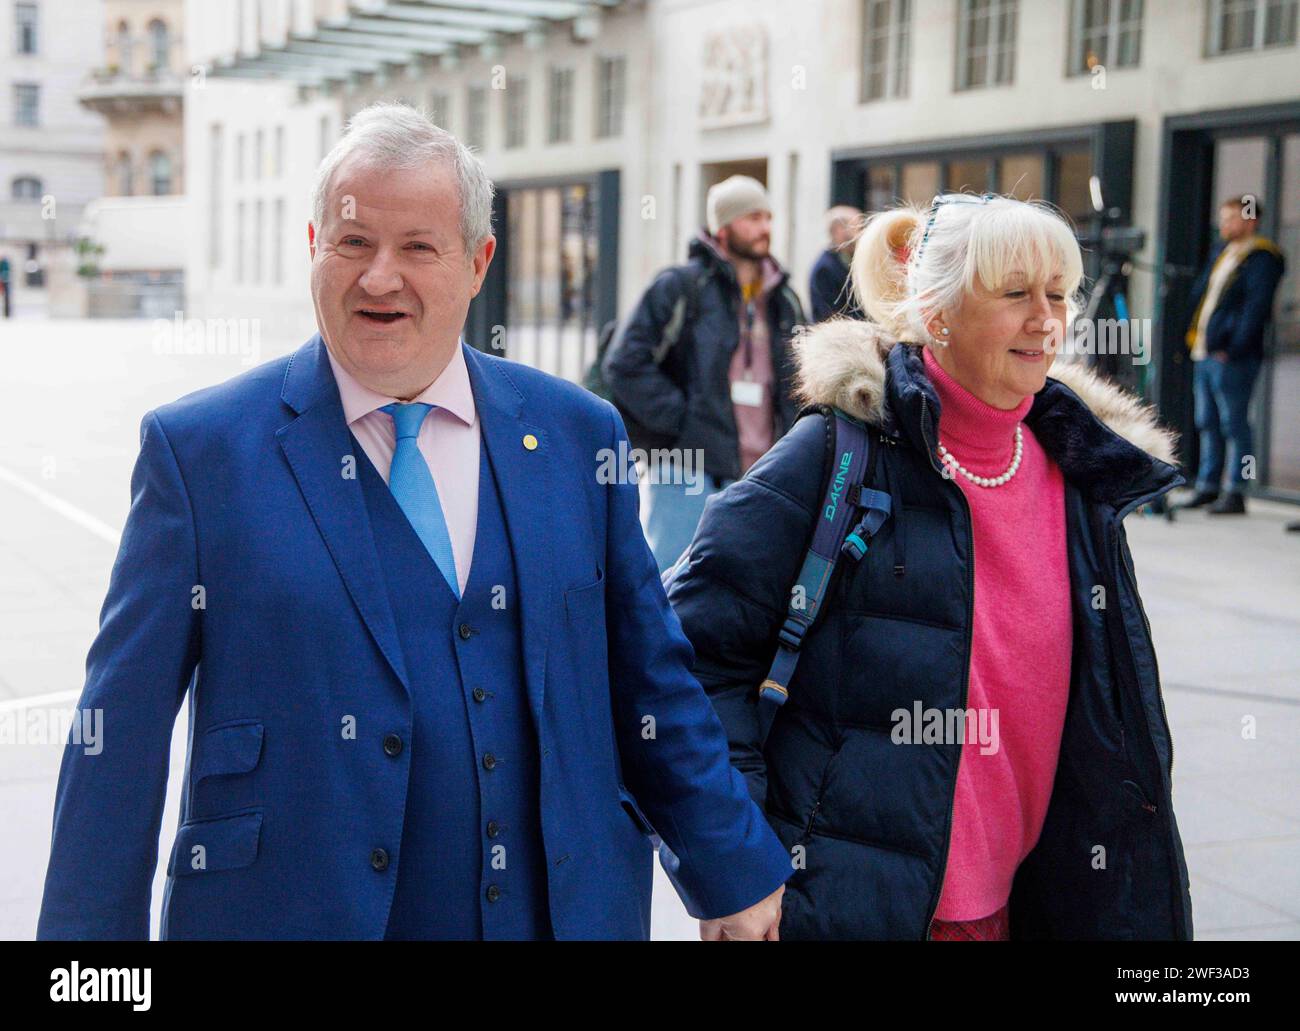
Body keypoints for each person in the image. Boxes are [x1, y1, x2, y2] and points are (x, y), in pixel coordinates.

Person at [37, 103, 790, 941]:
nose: (379, 277)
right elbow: (119, 736)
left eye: (418, 248)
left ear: (478, 262)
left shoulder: (578, 435)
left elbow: (649, 674)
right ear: (314, 244)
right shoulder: (199, 453)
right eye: (353, 243)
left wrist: (730, 865)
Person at [665, 192, 1193, 940]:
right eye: (1014, 294)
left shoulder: (1081, 471)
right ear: (937, 312)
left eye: (1057, 293)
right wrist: (734, 864)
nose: (1046, 319)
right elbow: (683, 653)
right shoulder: (834, 455)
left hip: (1034, 903)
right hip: (859, 906)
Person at [602, 175, 804, 571]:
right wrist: (684, 420)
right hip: (687, 468)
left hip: (761, 473)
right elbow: (625, 363)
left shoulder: (783, 300)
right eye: (752, 218)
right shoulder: (681, 287)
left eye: (767, 217)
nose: (764, 228)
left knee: (743, 590)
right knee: (669, 584)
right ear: (723, 228)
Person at [1181, 195, 1286, 515]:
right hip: (1205, 352)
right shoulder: (1222, 253)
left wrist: (1233, 347)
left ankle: (1240, 488)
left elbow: (1256, 309)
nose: (1223, 224)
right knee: (1207, 422)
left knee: (1235, 424)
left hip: (1232, 356)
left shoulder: (1261, 258)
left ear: (1250, 220)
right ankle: (1208, 485)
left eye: (1231, 218)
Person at [809, 205, 866, 322]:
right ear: (838, 231)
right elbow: (830, 315)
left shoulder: (846, 261)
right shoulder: (825, 269)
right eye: (857, 228)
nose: (860, 235)